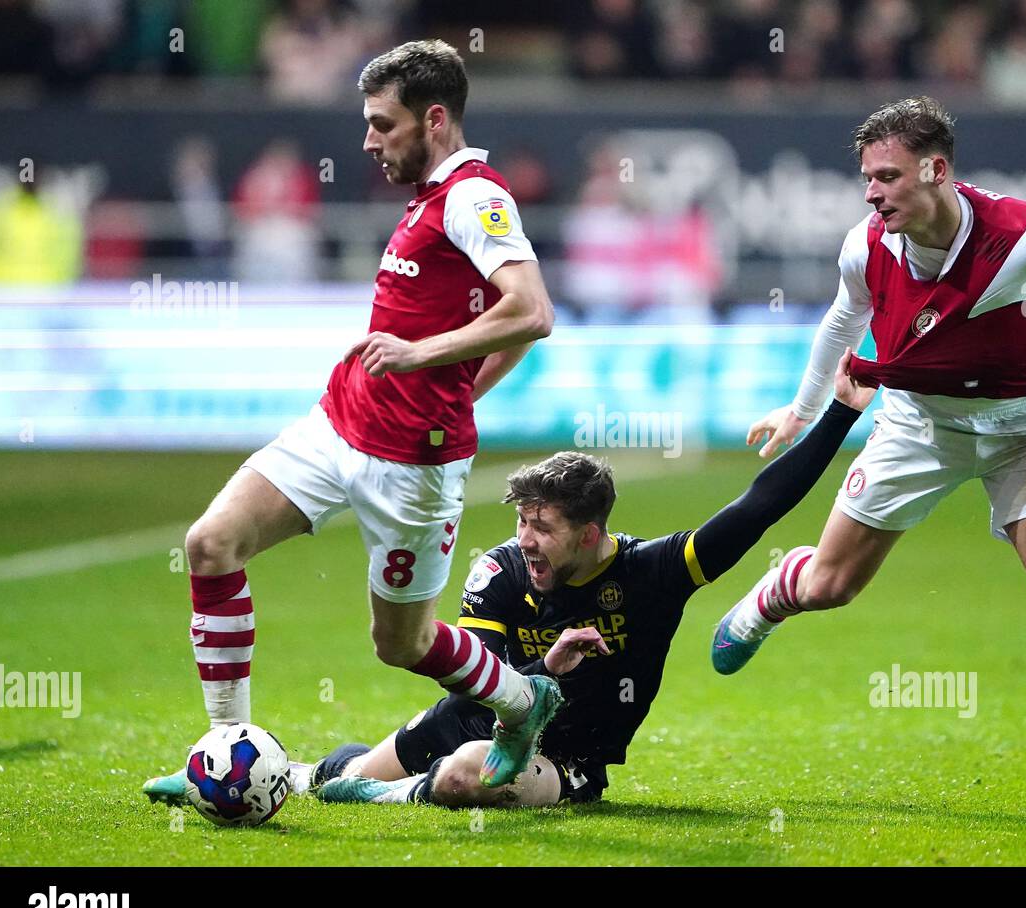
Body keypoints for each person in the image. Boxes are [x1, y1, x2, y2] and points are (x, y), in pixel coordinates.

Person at [712, 96, 1026, 813]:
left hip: (1024, 428)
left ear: (936, 170)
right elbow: (846, 315)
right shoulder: (866, 245)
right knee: (831, 588)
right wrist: (802, 409)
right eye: (867, 179)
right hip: (915, 426)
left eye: (887, 177)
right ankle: (776, 591)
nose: (872, 194)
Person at [143, 39, 561, 805]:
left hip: (412, 467)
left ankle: (523, 700)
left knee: (401, 644)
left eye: (383, 124)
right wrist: (449, 380)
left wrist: (420, 358)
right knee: (210, 545)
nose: (368, 141)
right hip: (337, 425)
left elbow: (532, 312)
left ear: (435, 119)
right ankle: (225, 752)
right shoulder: (428, 197)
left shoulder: (474, 197)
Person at [290, 355, 875, 808]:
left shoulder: (655, 571)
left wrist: (840, 414)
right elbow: (475, 689)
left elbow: (758, 507)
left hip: (566, 756)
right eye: (521, 521)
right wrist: (549, 667)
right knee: (339, 776)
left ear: (591, 533)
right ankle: (311, 774)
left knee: (469, 777)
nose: (524, 539)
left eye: (541, 527)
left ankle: (394, 790)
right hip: (470, 717)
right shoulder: (498, 572)